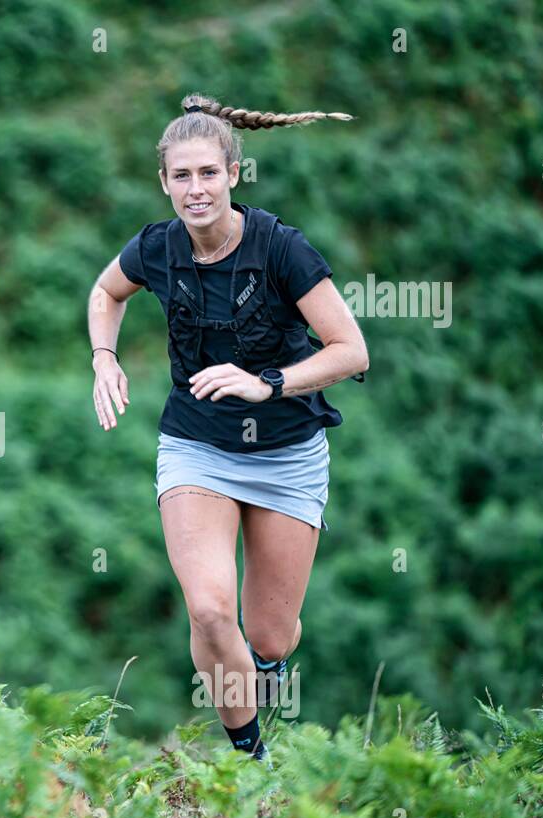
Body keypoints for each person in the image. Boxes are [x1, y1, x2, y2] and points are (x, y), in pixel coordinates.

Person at [87, 93, 369, 764]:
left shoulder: (281, 249)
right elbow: (106, 293)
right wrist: (104, 358)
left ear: (234, 174)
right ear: (164, 182)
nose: (195, 189)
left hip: (287, 452)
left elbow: (350, 351)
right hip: (196, 447)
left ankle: (255, 680)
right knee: (211, 611)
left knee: (269, 639)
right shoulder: (155, 249)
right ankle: (250, 760)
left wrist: (265, 381)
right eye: (181, 176)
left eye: (208, 173)